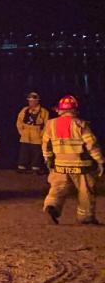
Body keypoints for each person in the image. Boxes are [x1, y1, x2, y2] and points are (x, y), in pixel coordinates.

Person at [41, 94, 103, 225]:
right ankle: (86, 217)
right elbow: (91, 144)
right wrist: (100, 161)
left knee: (58, 187)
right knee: (85, 190)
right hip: (81, 165)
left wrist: (48, 159)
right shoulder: (80, 124)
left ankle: (51, 206)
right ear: (75, 109)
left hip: (59, 164)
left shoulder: (51, 124)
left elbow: (46, 144)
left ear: (60, 109)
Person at [15, 92, 50, 174]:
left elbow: (47, 125)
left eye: (33, 101)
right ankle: (22, 167)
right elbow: (19, 122)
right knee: (24, 151)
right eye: (30, 101)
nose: (31, 103)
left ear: (37, 101)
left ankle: (36, 168)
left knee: (37, 152)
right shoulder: (24, 110)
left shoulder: (44, 112)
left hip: (37, 135)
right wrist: (22, 132)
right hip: (25, 135)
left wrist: (42, 134)